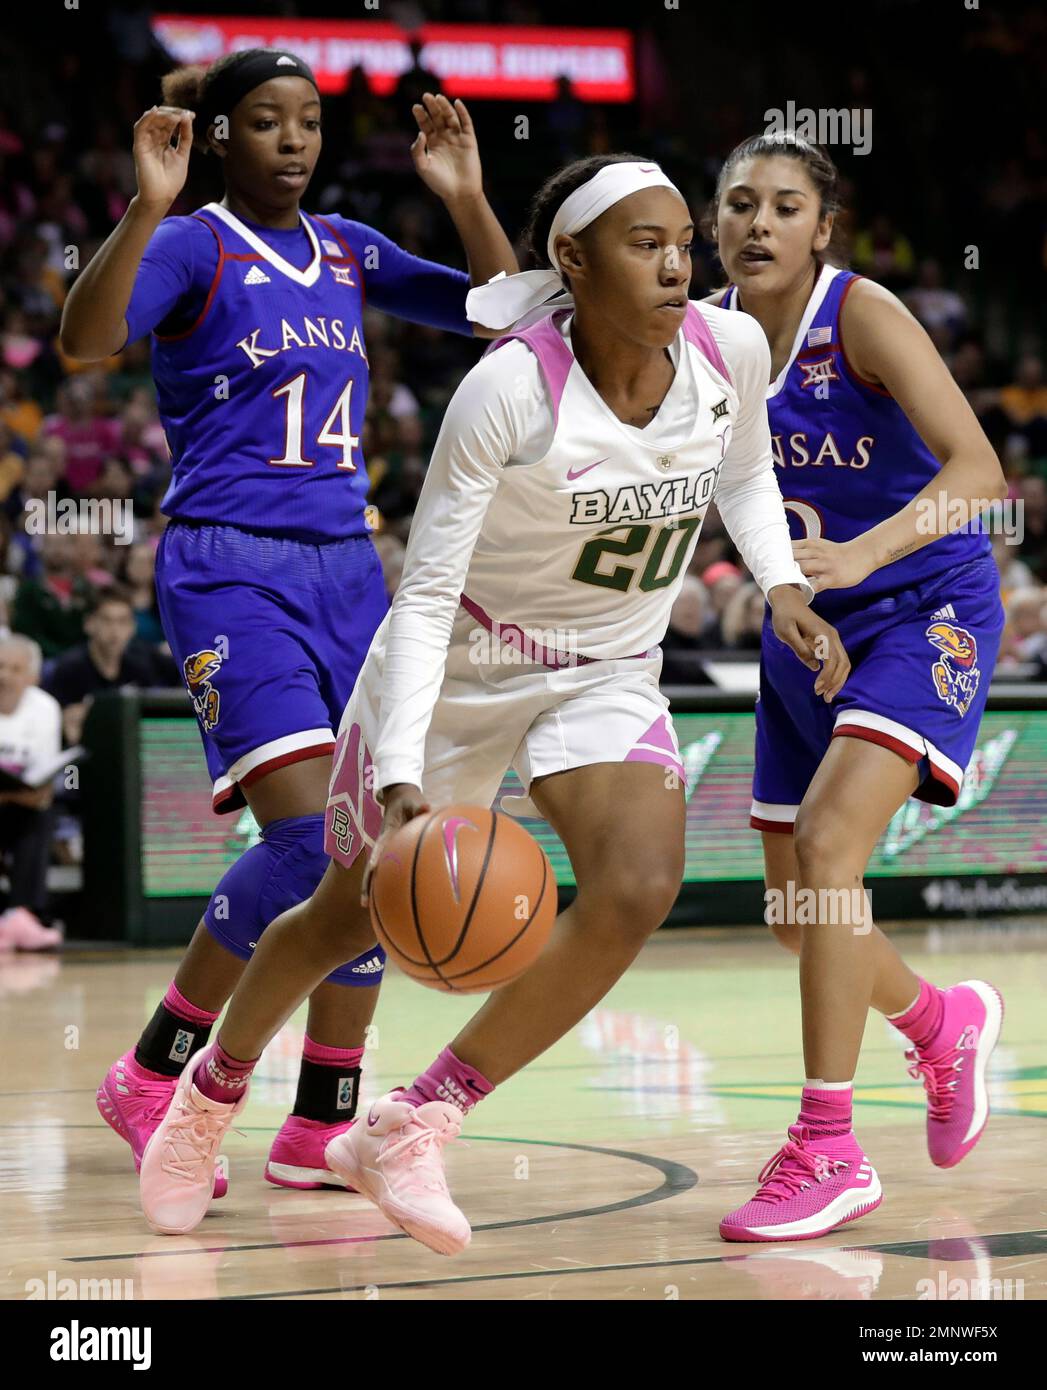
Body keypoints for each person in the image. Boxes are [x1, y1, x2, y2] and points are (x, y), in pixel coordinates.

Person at [136, 153, 849, 1243]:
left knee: (640, 881)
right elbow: (422, 600)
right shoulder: (510, 387)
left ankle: (417, 1119)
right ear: (572, 258)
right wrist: (403, 773)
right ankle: (211, 1093)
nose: (676, 265)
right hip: (465, 665)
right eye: (644, 244)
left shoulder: (730, 345)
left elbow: (743, 473)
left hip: (605, 664)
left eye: (682, 245)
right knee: (343, 911)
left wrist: (785, 587)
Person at [59, 47, 518, 1198]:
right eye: (267, 122)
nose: (297, 140)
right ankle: (152, 1071)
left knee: (372, 846)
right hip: (229, 568)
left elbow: (503, 318)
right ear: (217, 136)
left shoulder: (350, 250)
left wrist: (464, 195)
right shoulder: (191, 244)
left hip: (354, 572)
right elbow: (84, 338)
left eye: (310, 121)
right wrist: (144, 204)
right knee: (313, 844)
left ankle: (322, 1118)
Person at [706, 131, 1007, 1240]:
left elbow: (980, 470)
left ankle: (828, 1148)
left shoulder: (862, 313)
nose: (759, 223)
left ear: (822, 227)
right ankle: (941, 1024)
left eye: (785, 205)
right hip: (807, 623)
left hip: (921, 607)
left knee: (833, 853)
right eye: (739, 203)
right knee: (799, 912)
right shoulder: (714, 336)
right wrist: (782, 590)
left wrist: (862, 560)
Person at [45, 586, 174, 744]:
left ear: (132, 627)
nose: (115, 631)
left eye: (122, 621)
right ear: (89, 624)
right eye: (106, 621)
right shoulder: (70, 669)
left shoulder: (142, 662)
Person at [0, 634, 63, 948]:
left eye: (14, 669)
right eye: (0, 667)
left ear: (32, 676)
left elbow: (41, 782)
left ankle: (20, 915)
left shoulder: (45, 708)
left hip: (22, 804)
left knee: (42, 813)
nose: (4, 676)